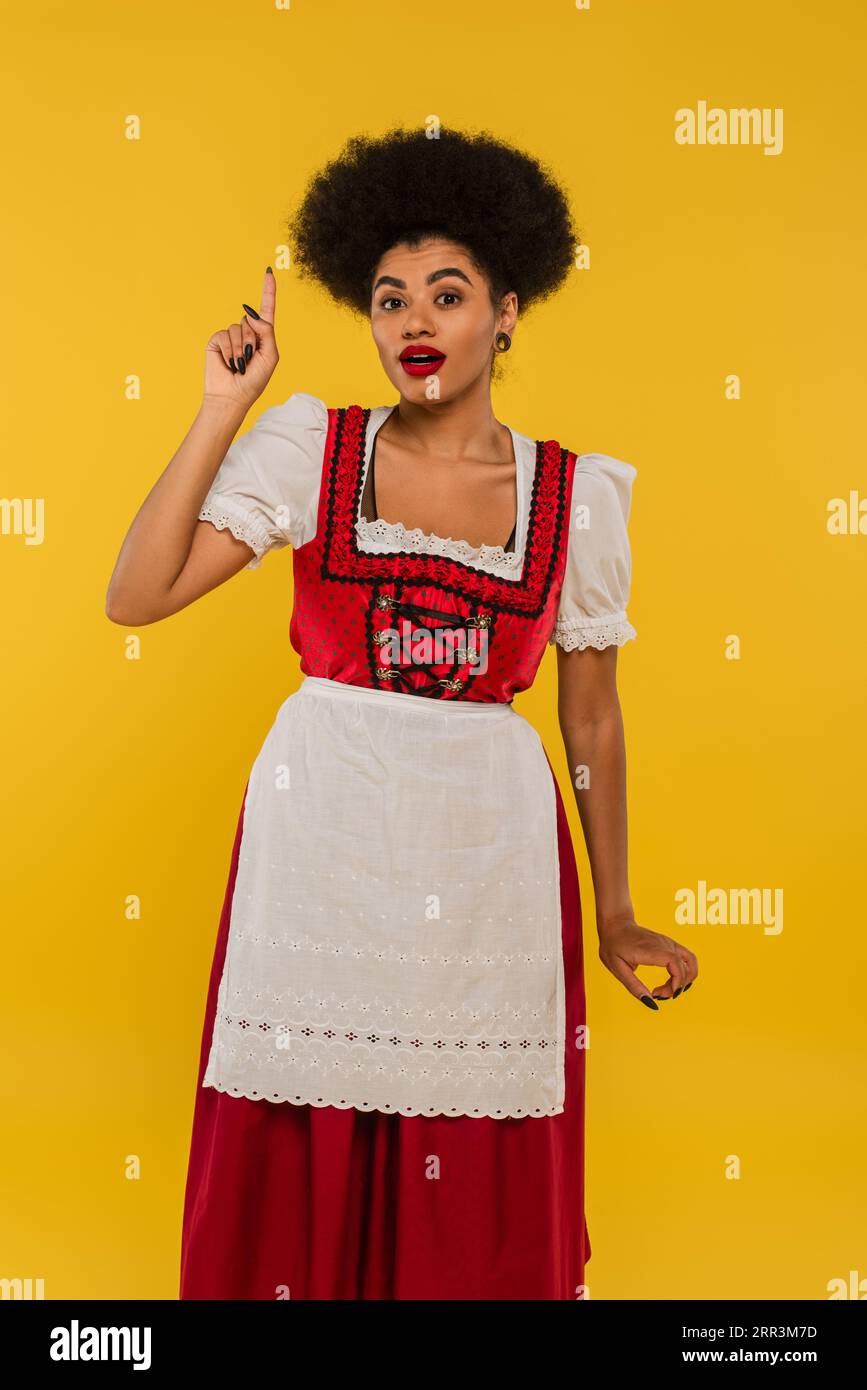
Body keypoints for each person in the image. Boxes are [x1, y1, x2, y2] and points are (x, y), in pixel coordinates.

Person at [105, 126, 697, 1301]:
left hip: (486, 853)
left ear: (508, 312)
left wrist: (618, 910)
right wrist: (223, 408)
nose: (414, 320)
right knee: (302, 1104)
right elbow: (138, 593)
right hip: (323, 830)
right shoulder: (310, 447)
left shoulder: (577, 499)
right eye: (388, 298)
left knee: (473, 1134)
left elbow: (591, 724)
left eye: (447, 291)